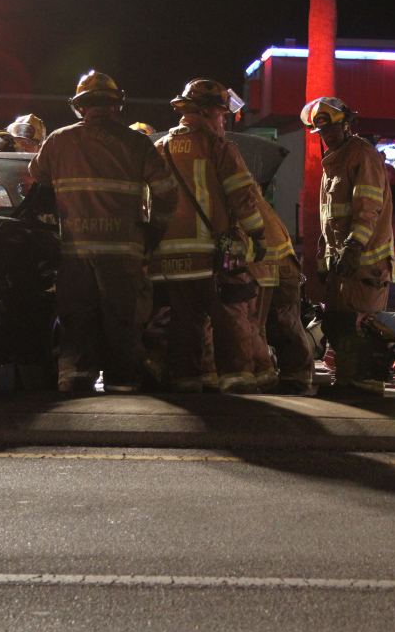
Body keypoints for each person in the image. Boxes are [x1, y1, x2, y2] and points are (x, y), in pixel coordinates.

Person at [28, 71, 178, 393]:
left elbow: (36, 181)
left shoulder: (57, 140)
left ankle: (75, 379)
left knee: (77, 317)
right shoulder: (137, 143)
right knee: (123, 319)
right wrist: (152, 233)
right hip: (123, 252)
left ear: (79, 107)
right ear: (116, 105)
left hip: (73, 251)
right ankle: (123, 381)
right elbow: (167, 193)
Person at [150, 79, 269, 395]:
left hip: (170, 260)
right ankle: (237, 381)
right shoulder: (218, 147)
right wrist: (257, 236)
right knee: (230, 318)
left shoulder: (158, 148)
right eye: (220, 114)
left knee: (184, 322)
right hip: (213, 254)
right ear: (203, 112)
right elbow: (242, 197)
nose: (223, 120)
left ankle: (188, 379)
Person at [303, 96, 395, 396]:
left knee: (362, 324)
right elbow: (328, 219)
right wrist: (322, 261)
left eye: (333, 130)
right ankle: (344, 382)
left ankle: (365, 385)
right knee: (339, 326)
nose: (328, 137)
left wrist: (354, 247)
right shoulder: (333, 163)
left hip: (365, 262)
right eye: (323, 133)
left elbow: (368, 207)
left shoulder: (362, 156)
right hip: (341, 266)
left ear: (347, 126)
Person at [246, 183, 315, 394]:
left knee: (256, 324)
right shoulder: (249, 192)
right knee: (281, 323)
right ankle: (295, 377)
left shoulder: (225, 189)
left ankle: (274, 377)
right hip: (281, 262)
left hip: (266, 263)